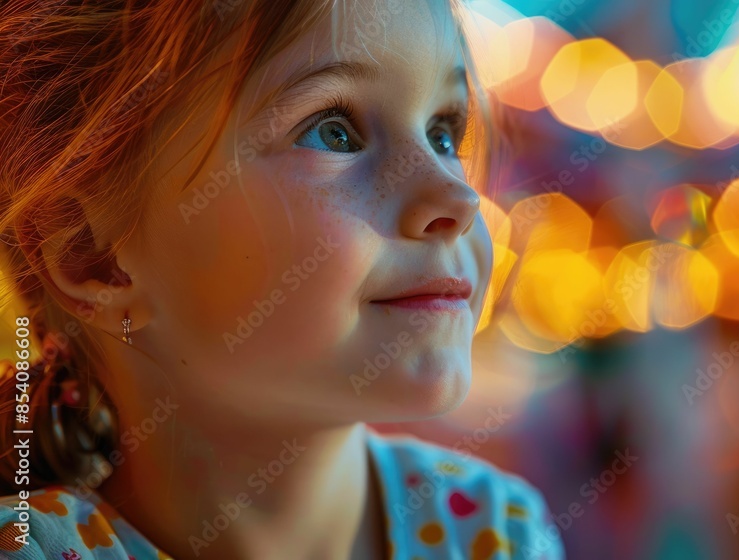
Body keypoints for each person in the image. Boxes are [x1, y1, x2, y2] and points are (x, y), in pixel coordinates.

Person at [0, 0, 565, 558]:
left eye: (443, 132)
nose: (459, 198)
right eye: (334, 131)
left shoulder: (498, 532)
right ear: (94, 257)